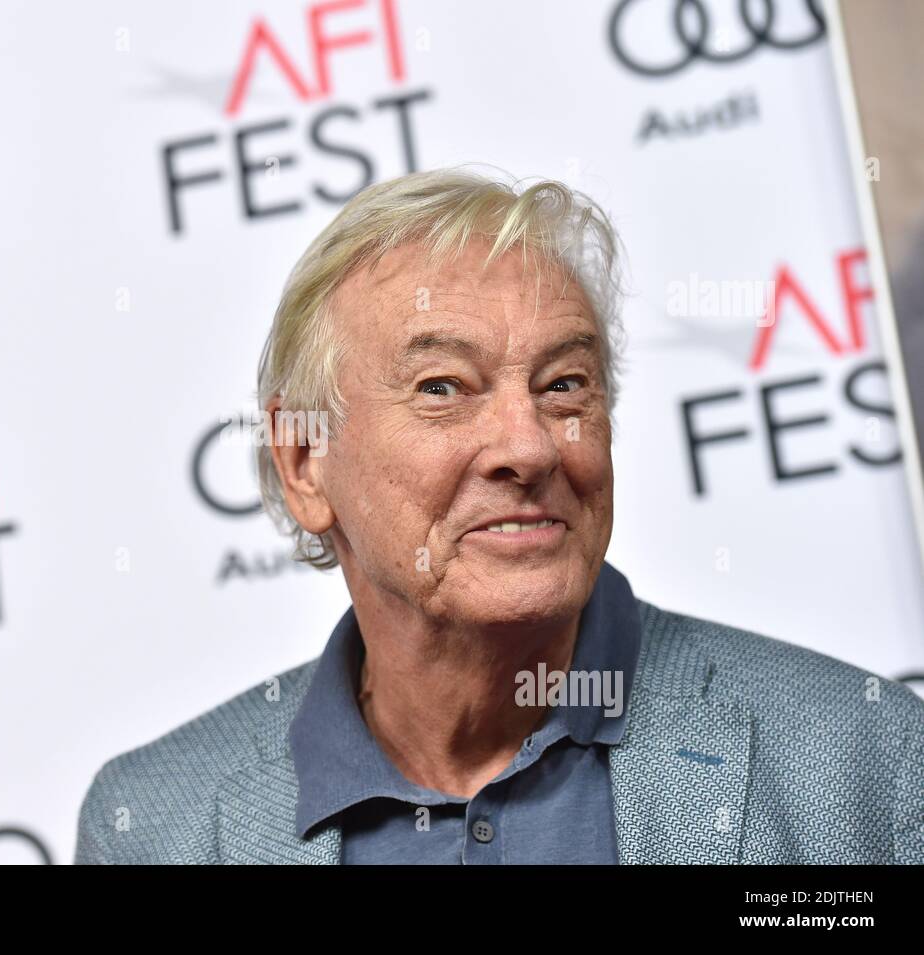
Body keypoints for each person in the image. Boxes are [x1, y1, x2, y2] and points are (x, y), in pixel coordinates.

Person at [74, 167, 924, 864]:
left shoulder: (871, 759)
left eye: (563, 385)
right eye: (443, 388)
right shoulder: (152, 828)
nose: (531, 446)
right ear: (304, 462)